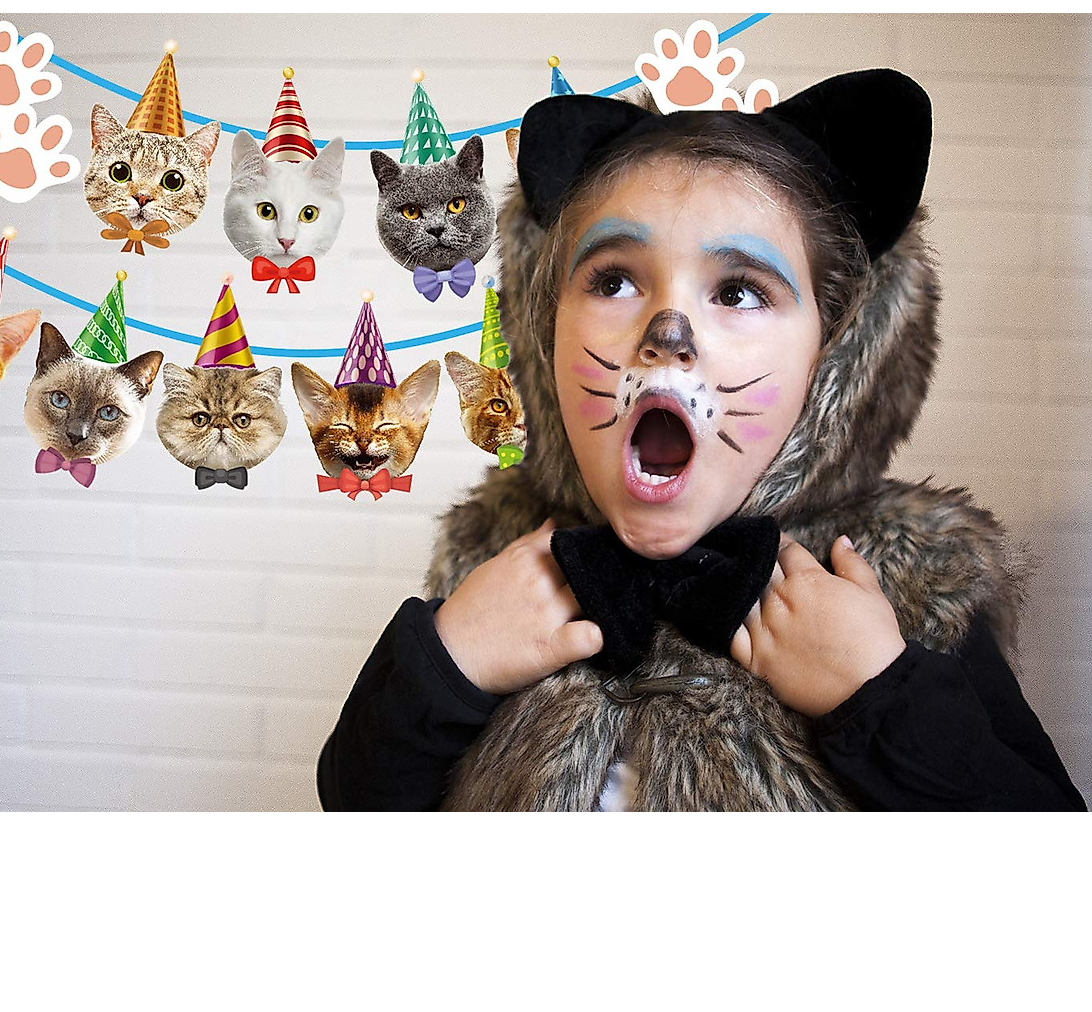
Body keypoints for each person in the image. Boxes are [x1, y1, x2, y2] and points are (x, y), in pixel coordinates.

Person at [317, 68, 1086, 811]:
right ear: (545, 327)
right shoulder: (495, 557)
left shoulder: (916, 582)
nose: (668, 335)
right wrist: (445, 664)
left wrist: (879, 694)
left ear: (833, 352)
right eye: (614, 281)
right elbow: (358, 801)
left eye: (740, 291)